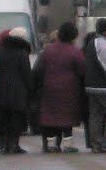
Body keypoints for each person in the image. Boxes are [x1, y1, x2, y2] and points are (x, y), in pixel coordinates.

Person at [34, 22, 86, 153]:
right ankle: (67, 144)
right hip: (70, 89)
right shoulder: (75, 51)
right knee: (68, 117)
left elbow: (39, 70)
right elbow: (82, 70)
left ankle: (51, 144)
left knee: (51, 116)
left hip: (49, 88)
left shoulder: (48, 50)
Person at [0, 27, 33, 155]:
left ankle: (4, 144)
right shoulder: (22, 53)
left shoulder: (0, 52)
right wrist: (30, 89)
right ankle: (14, 144)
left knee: (4, 118)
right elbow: (26, 73)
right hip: (18, 91)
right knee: (16, 118)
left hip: (1, 90)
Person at [83, 19, 106, 153]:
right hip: (105, 86)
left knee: (95, 114)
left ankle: (95, 143)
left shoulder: (92, 42)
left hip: (91, 85)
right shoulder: (104, 45)